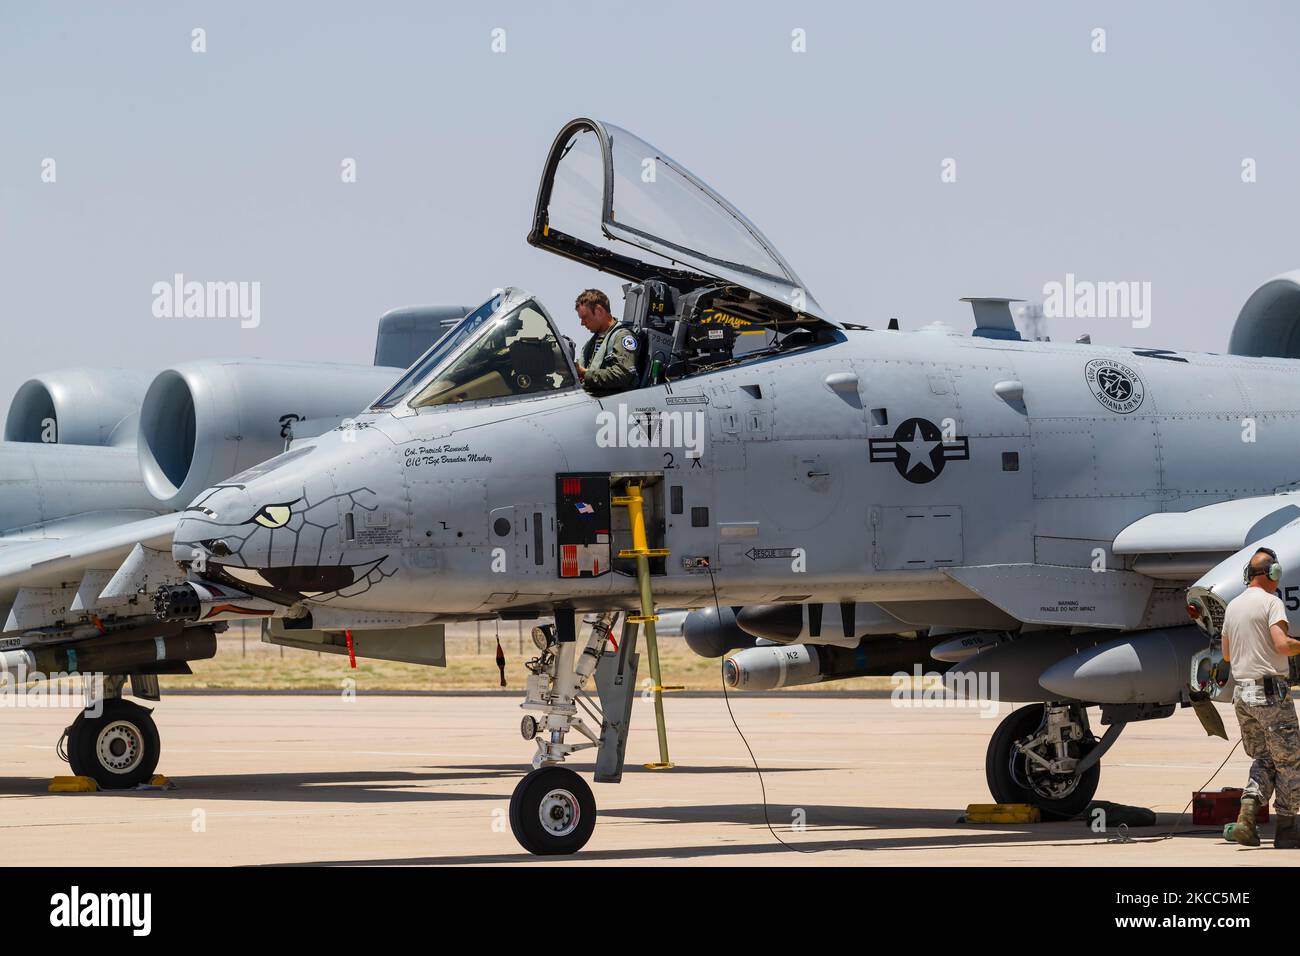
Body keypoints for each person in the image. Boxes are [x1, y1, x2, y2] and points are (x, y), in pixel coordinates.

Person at [1222, 547, 1300, 848]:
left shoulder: (1233, 606)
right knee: (1290, 761)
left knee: (1264, 758)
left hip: (1243, 696)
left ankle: (1246, 820)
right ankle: (1288, 830)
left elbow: (1227, 654)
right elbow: (1282, 645)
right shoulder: (1272, 603)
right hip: (1271, 696)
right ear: (1274, 574)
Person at [574, 289, 638, 397]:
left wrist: (584, 374)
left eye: (585, 317)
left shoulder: (622, 336)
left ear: (599, 311)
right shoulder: (592, 343)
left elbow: (622, 375)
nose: (582, 323)